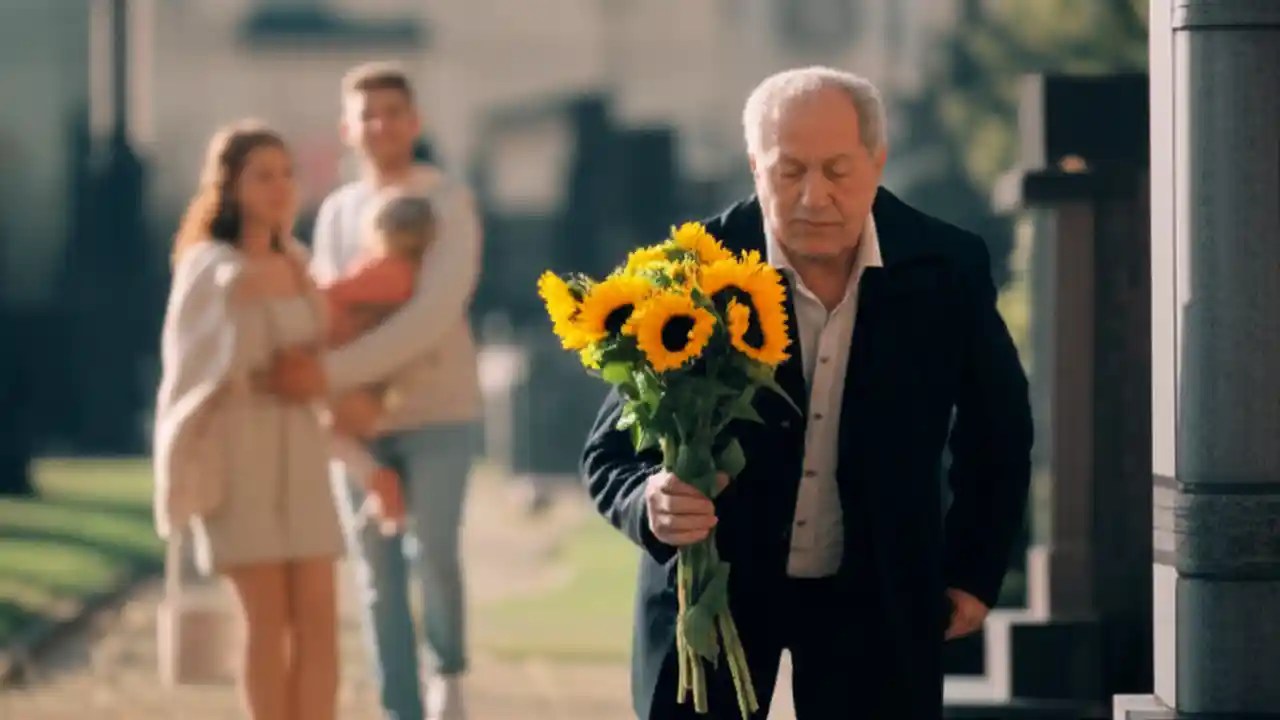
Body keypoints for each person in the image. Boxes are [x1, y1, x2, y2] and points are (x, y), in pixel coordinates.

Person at [581, 67, 1034, 719]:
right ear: (754, 166)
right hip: (713, 604)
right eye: (788, 171)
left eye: (838, 170)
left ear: (877, 162)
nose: (813, 196)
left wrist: (974, 566)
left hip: (877, 595)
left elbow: (999, 430)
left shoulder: (947, 267)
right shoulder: (689, 273)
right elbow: (609, 457)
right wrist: (648, 500)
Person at [270, 62, 483, 720]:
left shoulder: (450, 203)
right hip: (359, 425)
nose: (380, 124)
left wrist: (332, 377)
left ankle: (447, 671)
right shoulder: (335, 211)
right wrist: (337, 400)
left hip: (439, 412)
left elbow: (431, 314)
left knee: (435, 555)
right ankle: (400, 707)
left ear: (413, 123)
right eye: (367, 114)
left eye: (392, 111)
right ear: (348, 129)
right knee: (375, 573)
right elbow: (332, 316)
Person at [153, 122, 344, 720]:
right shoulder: (207, 264)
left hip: (302, 452)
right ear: (229, 186)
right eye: (262, 175)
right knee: (265, 621)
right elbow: (199, 355)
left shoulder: (298, 261)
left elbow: (323, 345)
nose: (280, 186)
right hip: (238, 453)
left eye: (287, 173)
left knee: (318, 620)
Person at [322, 191, 439, 535]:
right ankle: (382, 494)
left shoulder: (389, 271)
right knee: (346, 438)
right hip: (367, 378)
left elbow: (335, 293)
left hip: (356, 379)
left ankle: (379, 482)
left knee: (328, 432)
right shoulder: (407, 274)